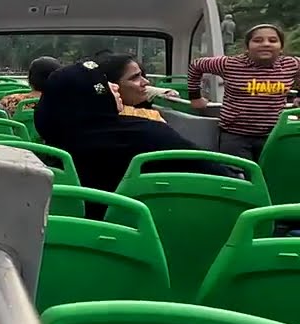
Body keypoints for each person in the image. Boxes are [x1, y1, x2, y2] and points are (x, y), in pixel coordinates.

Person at [35, 61, 234, 215]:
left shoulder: (47, 153)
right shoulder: (151, 135)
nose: (113, 87)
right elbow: (220, 175)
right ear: (88, 97)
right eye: (102, 85)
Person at [187, 23, 300, 161]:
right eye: (257, 40)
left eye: (273, 40)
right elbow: (196, 65)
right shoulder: (230, 64)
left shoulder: (291, 64)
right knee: (237, 176)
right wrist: (195, 97)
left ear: (281, 47)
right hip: (235, 135)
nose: (265, 44)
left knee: (269, 176)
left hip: (273, 134)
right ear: (247, 47)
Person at [98, 53, 177, 123]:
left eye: (141, 75)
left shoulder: (93, 119)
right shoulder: (150, 118)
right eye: (135, 77)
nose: (146, 82)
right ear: (112, 86)